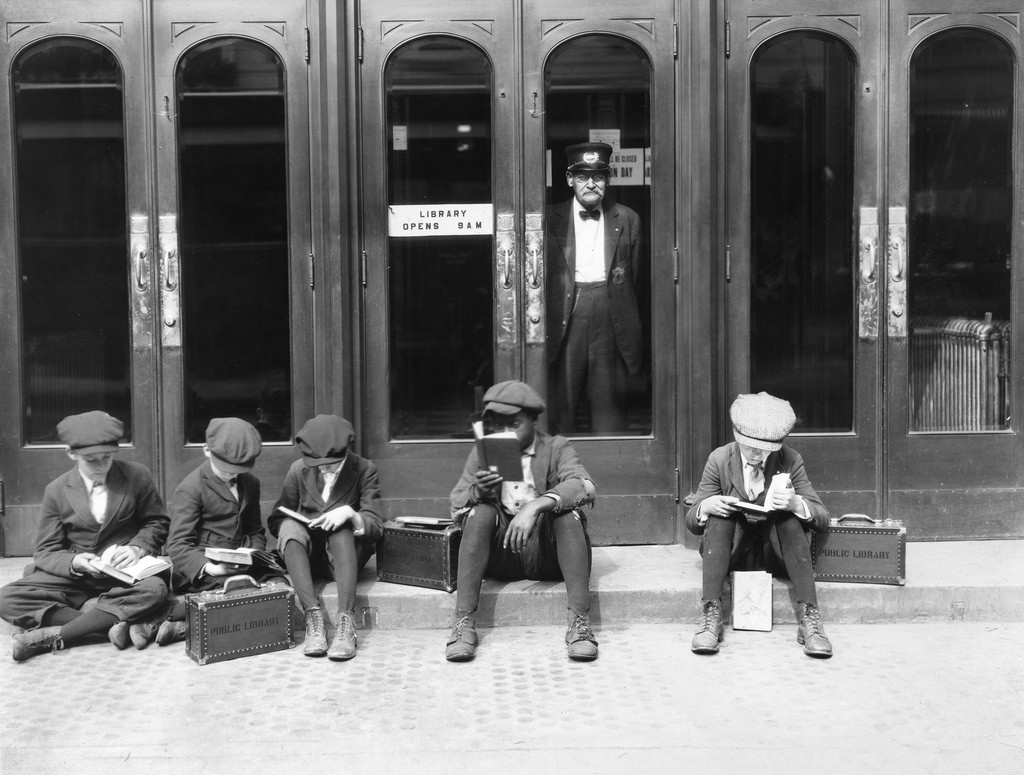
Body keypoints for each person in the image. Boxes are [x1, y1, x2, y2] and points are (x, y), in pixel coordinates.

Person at [446, 380, 598, 662]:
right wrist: (478, 492)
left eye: (515, 424)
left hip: (547, 554)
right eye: (498, 426)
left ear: (533, 420)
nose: (507, 433)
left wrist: (535, 506)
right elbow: (456, 504)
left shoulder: (555, 447)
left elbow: (584, 486)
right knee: (480, 512)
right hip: (501, 554)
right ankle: (463, 623)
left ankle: (579, 624)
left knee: (566, 514)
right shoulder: (484, 451)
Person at [0, 411, 170, 661]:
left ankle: (59, 635)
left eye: (107, 458)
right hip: (78, 578)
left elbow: (157, 522)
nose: (101, 466)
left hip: (125, 574)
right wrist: (75, 563)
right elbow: (45, 550)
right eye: (91, 460)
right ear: (71, 453)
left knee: (155, 589)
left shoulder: (137, 476)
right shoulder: (57, 490)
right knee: (6, 598)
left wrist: (137, 548)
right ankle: (111, 622)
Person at [685, 392, 833, 658]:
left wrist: (796, 504)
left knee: (789, 519)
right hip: (731, 553)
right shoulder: (720, 459)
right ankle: (710, 614)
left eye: (765, 448)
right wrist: (705, 507)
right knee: (719, 517)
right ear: (737, 436)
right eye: (750, 446)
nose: (756, 453)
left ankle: (810, 618)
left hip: (775, 553)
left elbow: (822, 519)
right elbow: (692, 523)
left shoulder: (790, 459)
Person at [545, 141, 646, 433]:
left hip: (610, 314)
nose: (591, 184)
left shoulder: (627, 218)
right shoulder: (550, 218)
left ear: (608, 179)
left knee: (608, 405)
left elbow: (634, 279)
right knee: (562, 404)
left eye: (598, 177)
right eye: (582, 177)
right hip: (567, 314)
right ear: (569, 179)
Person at [268, 414, 384, 660]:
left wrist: (350, 514)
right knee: (289, 527)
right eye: (316, 463)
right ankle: (313, 617)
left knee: (340, 528)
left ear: (345, 452)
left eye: (330, 464)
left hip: (343, 559)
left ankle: (346, 621)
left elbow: (376, 528)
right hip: (308, 561)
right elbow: (276, 518)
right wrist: (301, 525)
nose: (323, 468)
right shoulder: (298, 469)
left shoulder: (364, 469)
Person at [157, 417, 282, 646]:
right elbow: (177, 543)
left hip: (241, 562)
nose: (232, 475)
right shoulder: (191, 487)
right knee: (237, 592)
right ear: (207, 450)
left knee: (280, 588)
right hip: (204, 570)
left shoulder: (250, 483)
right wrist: (210, 568)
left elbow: (255, 529)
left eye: (237, 471)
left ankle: (185, 624)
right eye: (225, 469)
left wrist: (252, 555)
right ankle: (179, 625)